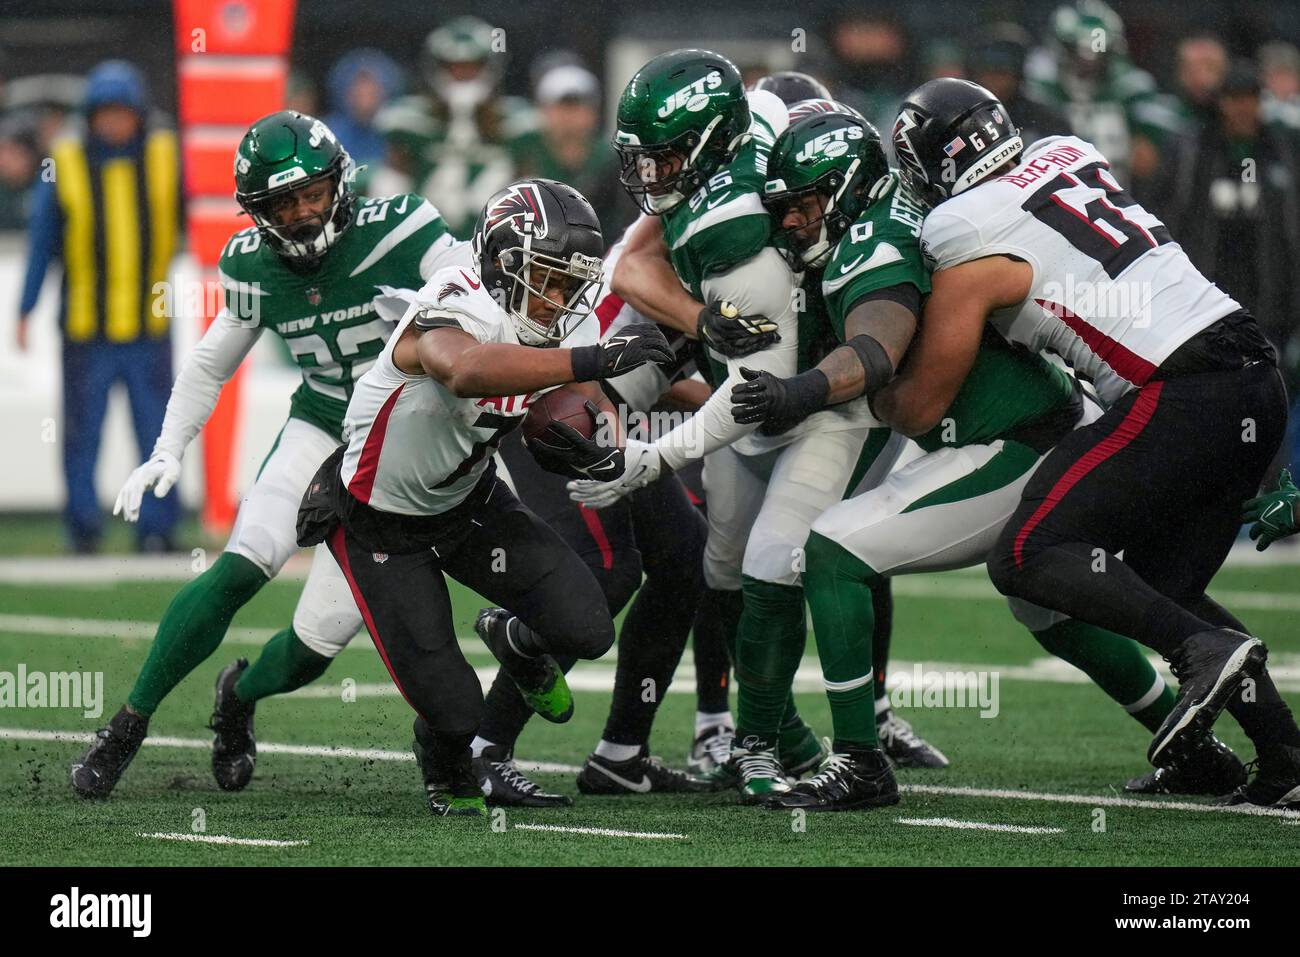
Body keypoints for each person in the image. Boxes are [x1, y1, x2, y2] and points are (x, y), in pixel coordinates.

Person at [734, 108, 1243, 809]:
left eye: (804, 204)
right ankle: (1195, 751)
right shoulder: (898, 221)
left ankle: (860, 761)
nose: (793, 222)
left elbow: (885, 367)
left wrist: (805, 390)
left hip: (1016, 443)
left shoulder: (875, 245)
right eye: (785, 209)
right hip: (1043, 425)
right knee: (1041, 602)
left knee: (832, 550)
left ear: (847, 188)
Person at [882, 76, 1300, 808]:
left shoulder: (959, 231)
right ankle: (1288, 756)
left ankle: (1197, 648)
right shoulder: (1067, 150)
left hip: (1180, 388)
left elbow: (922, 405)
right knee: (1165, 579)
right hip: (1255, 376)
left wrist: (858, 379)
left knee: (1026, 553)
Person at [571, 51, 945, 804]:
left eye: (666, 157)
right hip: (755, 394)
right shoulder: (752, 132)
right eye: (643, 157)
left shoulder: (746, 221)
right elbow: (627, 267)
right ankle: (778, 731)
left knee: (781, 561)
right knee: (724, 567)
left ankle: (764, 742)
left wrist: (651, 458)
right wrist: (698, 317)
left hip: (821, 399)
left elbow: (754, 390)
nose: (650, 176)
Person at [69, 111, 466, 799]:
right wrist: (167, 449)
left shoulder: (403, 227)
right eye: (284, 202)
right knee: (239, 567)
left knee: (316, 646)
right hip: (319, 430)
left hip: (396, 453)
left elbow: (479, 292)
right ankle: (124, 727)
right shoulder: (254, 265)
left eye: (313, 193)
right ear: (259, 211)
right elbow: (207, 366)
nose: (304, 212)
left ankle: (238, 694)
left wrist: (443, 308)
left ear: (339, 183)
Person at [301, 178, 672, 815]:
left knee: (585, 625)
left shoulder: (567, 318)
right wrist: (591, 360)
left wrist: (604, 441)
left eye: (572, 281)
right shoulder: (459, 297)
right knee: (456, 710)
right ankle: (445, 768)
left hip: (469, 503)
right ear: (504, 263)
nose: (562, 299)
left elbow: (589, 402)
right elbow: (465, 369)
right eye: (549, 278)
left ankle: (518, 643)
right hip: (380, 521)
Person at [17, 60, 181, 554]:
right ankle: (83, 529)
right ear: (90, 116)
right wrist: (24, 309)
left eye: (122, 112)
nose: (114, 122)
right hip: (86, 330)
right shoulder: (65, 161)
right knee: (81, 437)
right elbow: (43, 242)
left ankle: (156, 529)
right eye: (105, 113)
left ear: (138, 114)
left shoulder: (165, 153)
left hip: (149, 329)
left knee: (158, 434)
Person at [374, 15, 534, 238]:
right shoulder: (408, 120)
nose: (462, 76)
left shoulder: (517, 121)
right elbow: (389, 194)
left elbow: (531, 197)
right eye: (453, 67)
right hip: (424, 244)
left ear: (490, 67)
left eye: (472, 67)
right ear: (436, 67)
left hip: (496, 247)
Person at [511, 64, 631, 241]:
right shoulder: (523, 151)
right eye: (561, 107)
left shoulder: (613, 158)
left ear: (594, 111)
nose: (569, 116)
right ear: (543, 110)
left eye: (577, 106)